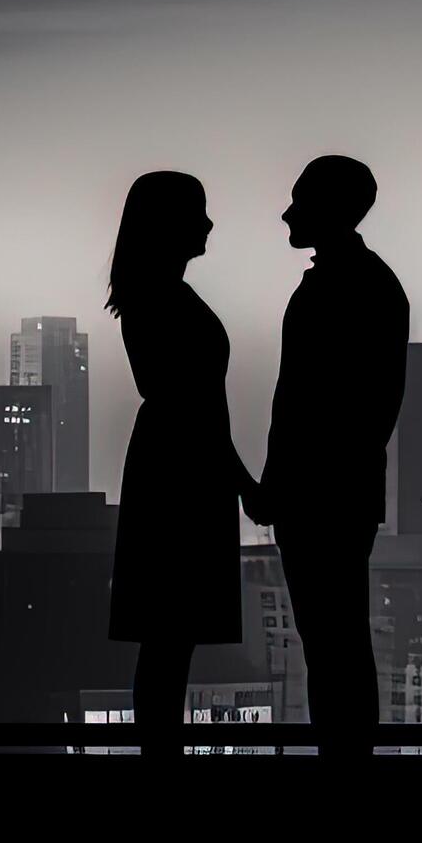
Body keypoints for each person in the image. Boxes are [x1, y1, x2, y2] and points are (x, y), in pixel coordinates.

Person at [255, 155, 409, 760]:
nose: (287, 212)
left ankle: (344, 759)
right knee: (333, 639)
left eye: (300, 200)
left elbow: (314, 403)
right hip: (332, 491)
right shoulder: (360, 282)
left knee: (332, 640)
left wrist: (284, 482)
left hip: (323, 494)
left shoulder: (351, 285)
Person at [105, 172, 259, 755]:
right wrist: (243, 482)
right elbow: (194, 403)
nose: (209, 223)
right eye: (198, 212)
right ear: (169, 224)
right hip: (180, 469)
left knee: (169, 638)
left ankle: (159, 757)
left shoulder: (157, 292)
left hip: (178, 463)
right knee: (171, 637)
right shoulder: (160, 296)